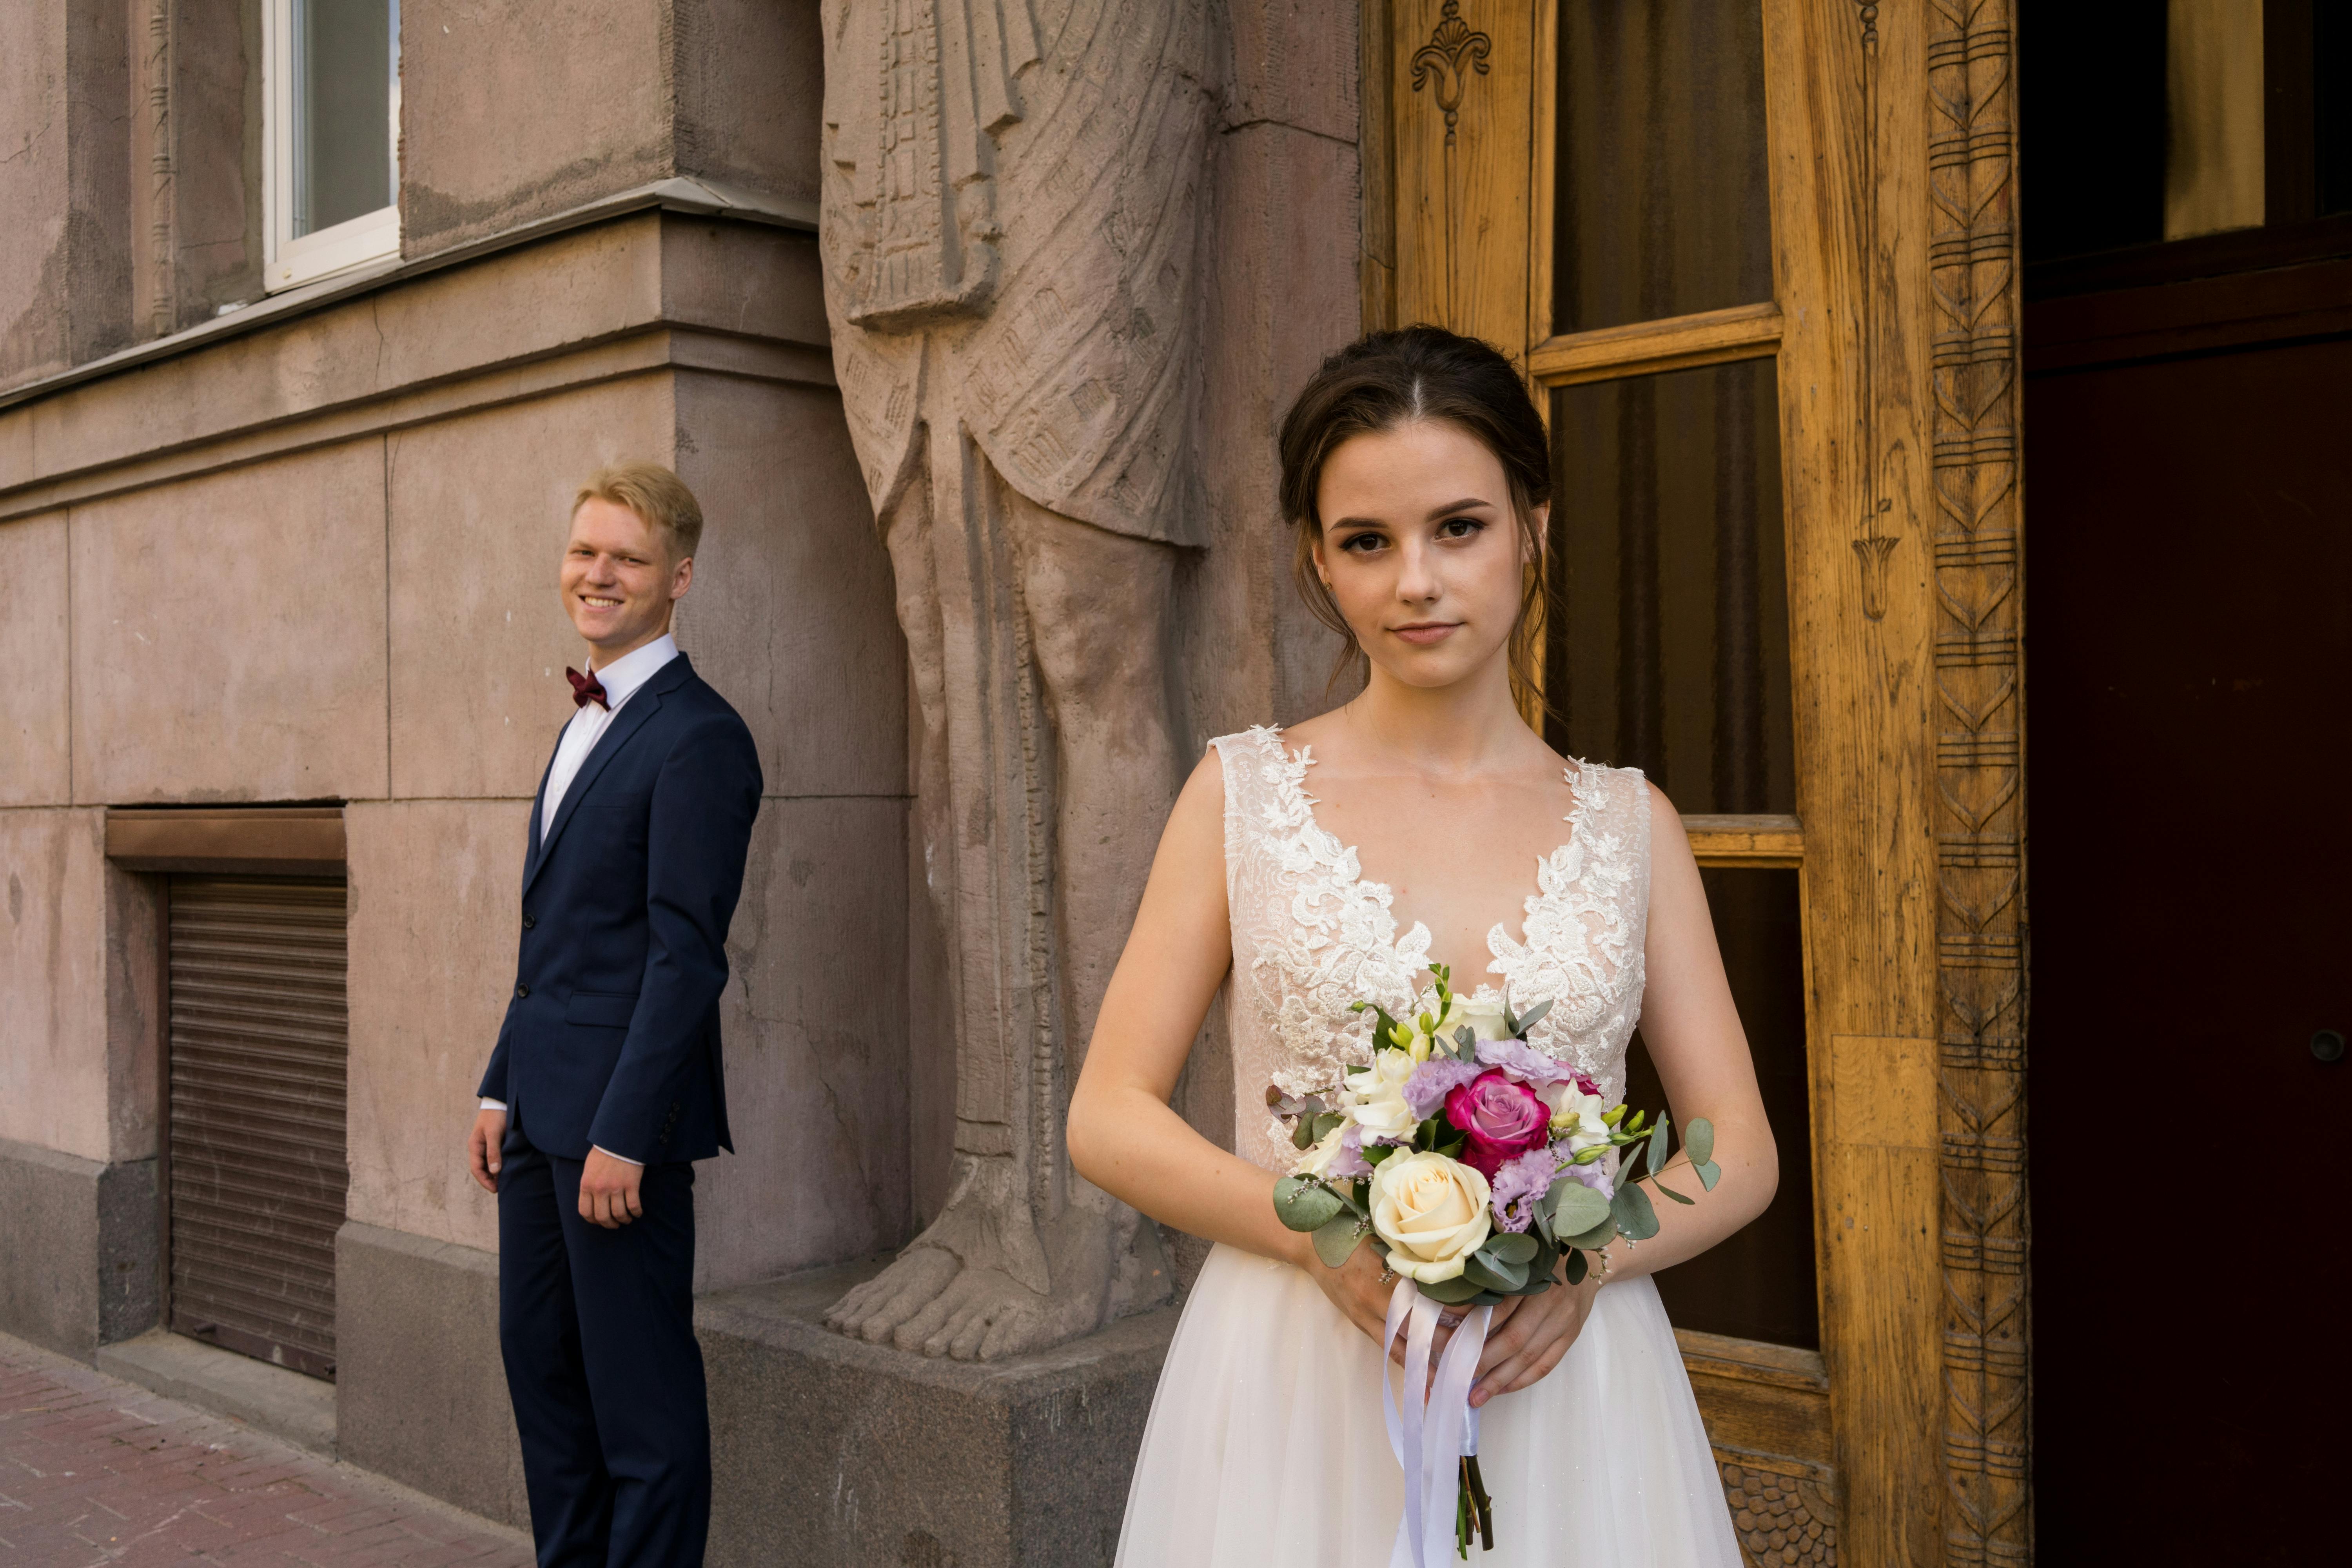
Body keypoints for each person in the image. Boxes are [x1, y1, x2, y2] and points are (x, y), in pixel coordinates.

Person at [1067, 327, 1764, 1563]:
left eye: (1460, 527)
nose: (1416, 584)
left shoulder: (1630, 824)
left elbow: (1739, 1151)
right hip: (1294, 1378)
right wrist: (1317, 1236)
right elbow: (1110, 1115)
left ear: (1534, 527)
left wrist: (1587, 1260)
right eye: (1366, 543)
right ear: (1317, 563)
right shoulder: (1241, 797)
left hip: (1563, 1386)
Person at [465, 462, 762, 1568]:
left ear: (678, 578)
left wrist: (626, 1133)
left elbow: (683, 960)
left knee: (640, 1410)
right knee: (544, 1379)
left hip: (614, 1139)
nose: (599, 574)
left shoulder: (700, 736)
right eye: (585, 551)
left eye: (627, 558)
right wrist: (501, 1080)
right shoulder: (589, 713)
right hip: (540, 1111)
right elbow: (561, 939)